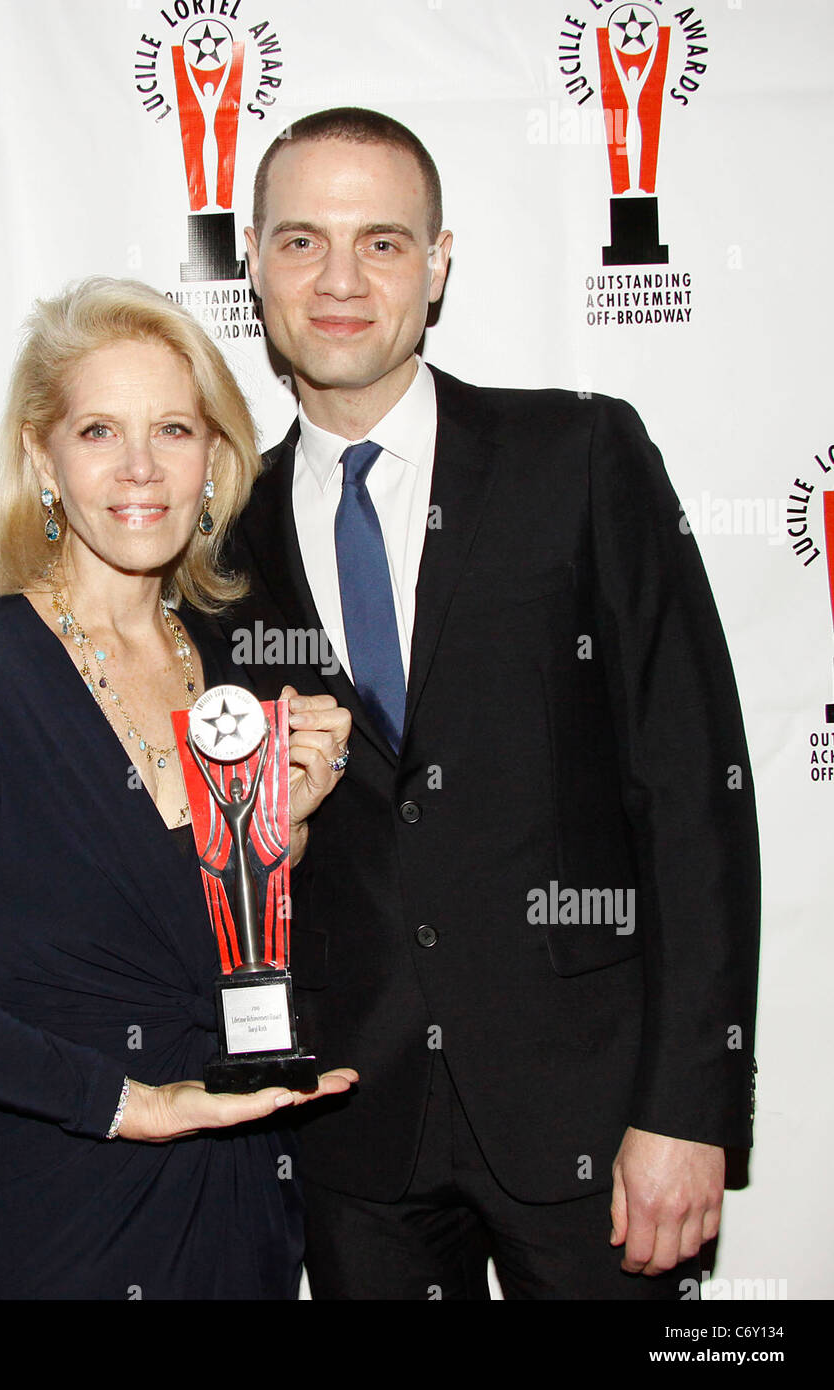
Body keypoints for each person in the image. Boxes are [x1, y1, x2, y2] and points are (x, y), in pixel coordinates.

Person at [227, 108, 760, 1299]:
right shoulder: (221, 538)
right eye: (303, 241)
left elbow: (695, 792)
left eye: (383, 241)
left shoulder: (576, 456)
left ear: (440, 262)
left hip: (595, 1116)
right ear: (252, 264)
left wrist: (689, 1104)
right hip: (351, 1131)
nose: (343, 280)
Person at [0, 277, 355, 1300]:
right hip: (63, 1195)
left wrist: (287, 836)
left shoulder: (241, 672)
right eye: (97, 431)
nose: (139, 468)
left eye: (173, 428)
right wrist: (134, 1102)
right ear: (43, 458)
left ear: (215, 457)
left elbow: (220, 939)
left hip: (242, 1194)